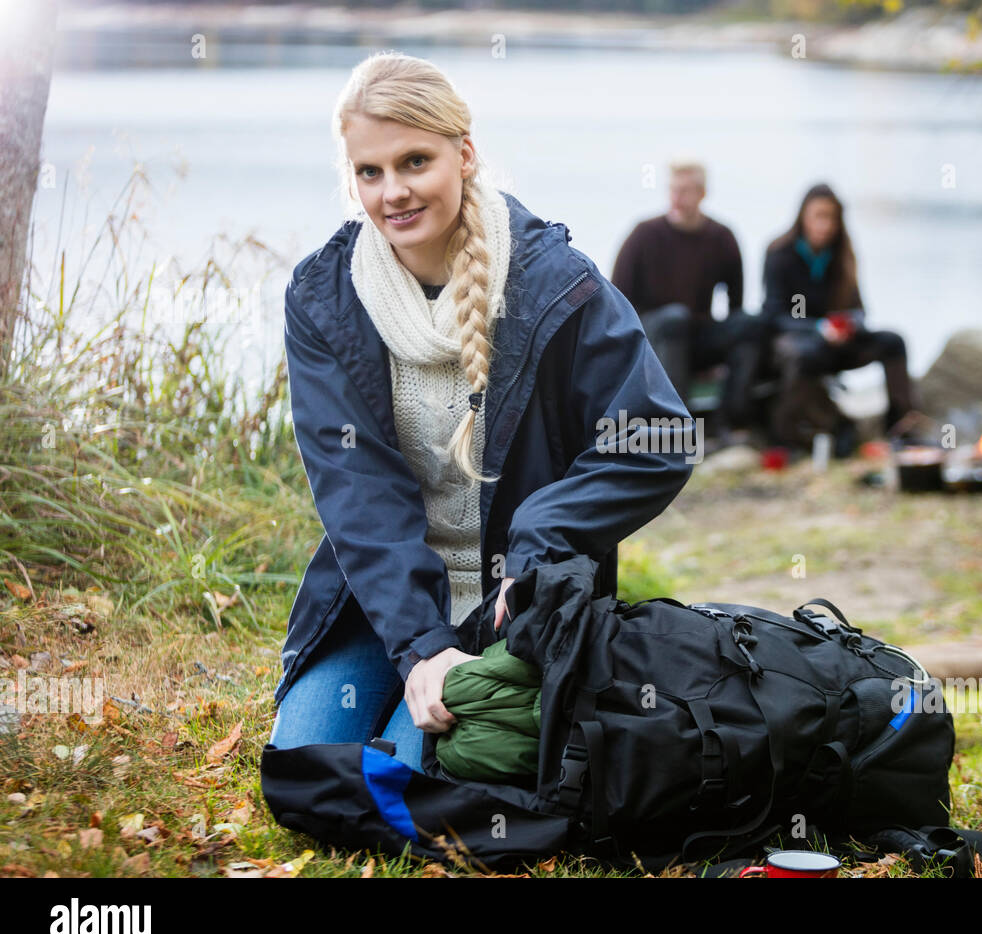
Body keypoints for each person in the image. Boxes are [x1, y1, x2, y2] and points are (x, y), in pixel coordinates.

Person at [267, 53, 695, 774]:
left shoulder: (558, 286)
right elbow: (357, 493)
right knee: (307, 763)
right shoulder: (323, 302)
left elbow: (658, 436)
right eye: (369, 172)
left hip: (515, 605)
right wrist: (422, 645)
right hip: (386, 602)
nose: (393, 192)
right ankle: (402, 675)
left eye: (414, 161)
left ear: (463, 155)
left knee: (424, 776)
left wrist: (544, 535)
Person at [611, 160, 768, 443]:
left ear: (702, 193)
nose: (677, 197)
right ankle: (678, 426)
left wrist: (720, 355)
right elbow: (616, 302)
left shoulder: (721, 237)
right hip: (653, 336)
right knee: (675, 317)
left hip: (697, 335)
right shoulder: (644, 234)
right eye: (673, 189)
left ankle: (733, 423)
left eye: (685, 190)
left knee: (751, 325)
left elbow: (736, 306)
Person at [760, 183, 920, 450]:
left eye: (831, 217)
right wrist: (819, 328)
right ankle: (789, 434)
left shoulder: (843, 254)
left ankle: (900, 428)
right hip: (799, 341)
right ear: (803, 217)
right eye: (818, 216)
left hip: (839, 342)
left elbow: (859, 309)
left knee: (893, 342)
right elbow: (773, 315)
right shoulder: (779, 253)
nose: (825, 225)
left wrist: (849, 326)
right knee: (804, 355)